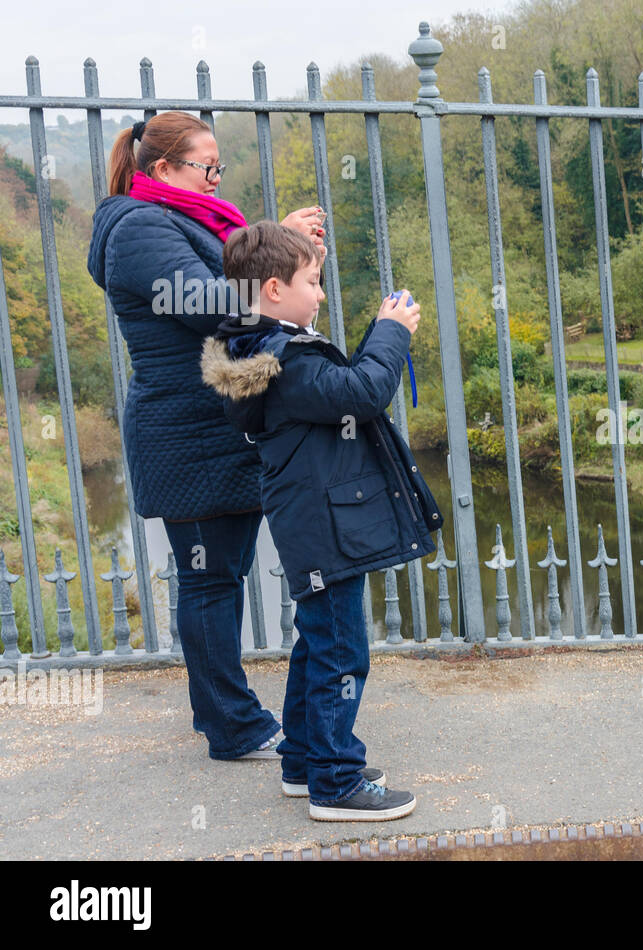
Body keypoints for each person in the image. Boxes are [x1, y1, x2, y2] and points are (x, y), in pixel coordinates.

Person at [87, 111, 326, 761]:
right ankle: (232, 726)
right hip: (185, 434)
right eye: (207, 167)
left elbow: (226, 273)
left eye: (220, 167)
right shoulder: (138, 229)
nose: (217, 178)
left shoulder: (178, 219)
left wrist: (277, 239)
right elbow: (210, 303)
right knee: (210, 581)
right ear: (162, 168)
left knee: (221, 574)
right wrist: (286, 259)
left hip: (216, 427)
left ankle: (225, 717)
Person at [201, 220, 442, 820]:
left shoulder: (265, 346)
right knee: (341, 651)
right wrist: (390, 333)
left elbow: (342, 387)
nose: (323, 293)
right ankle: (335, 783)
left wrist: (372, 330)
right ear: (275, 290)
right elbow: (362, 391)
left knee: (318, 641)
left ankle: (304, 761)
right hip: (325, 525)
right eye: (314, 281)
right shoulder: (288, 359)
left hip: (312, 517)